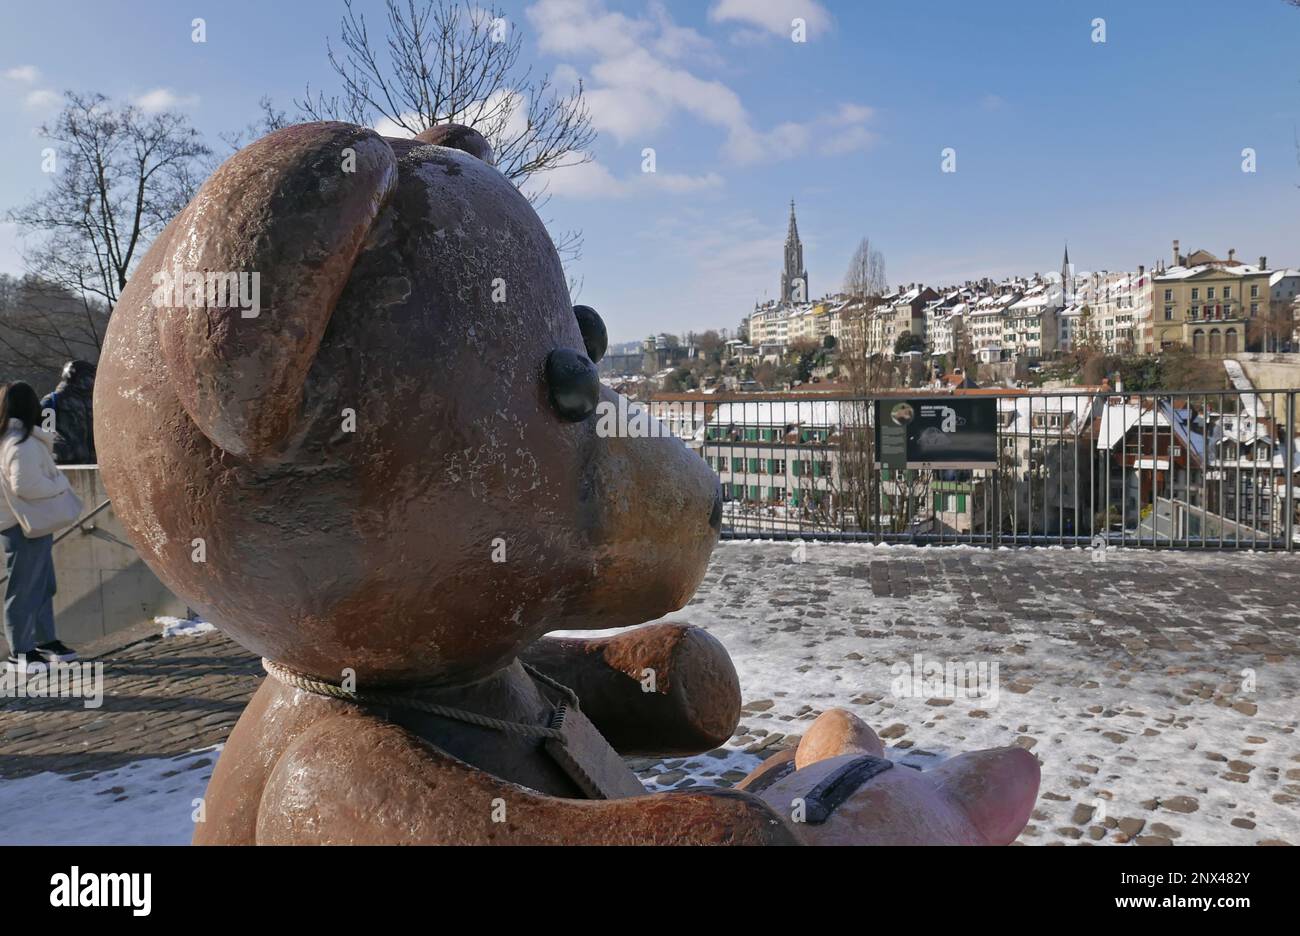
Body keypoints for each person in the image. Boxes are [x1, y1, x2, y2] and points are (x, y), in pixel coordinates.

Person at [0, 382, 78, 670]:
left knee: (40, 585)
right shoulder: (23, 442)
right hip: (23, 524)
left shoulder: (11, 438)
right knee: (27, 588)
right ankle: (21, 651)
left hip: (19, 522)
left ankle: (44, 641)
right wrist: (59, 483)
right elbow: (26, 485)